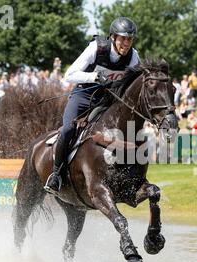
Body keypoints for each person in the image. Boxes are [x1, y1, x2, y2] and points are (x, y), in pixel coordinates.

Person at [44, 17, 140, 195]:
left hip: (108, 100)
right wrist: (94, 77)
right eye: (123, 38)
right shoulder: (97, 48)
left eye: (129, 39)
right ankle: (56, 174)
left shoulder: (133, 56)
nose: (126, 43)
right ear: (112, 37)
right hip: (84, 96)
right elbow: (69, 74)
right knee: (67, 130)